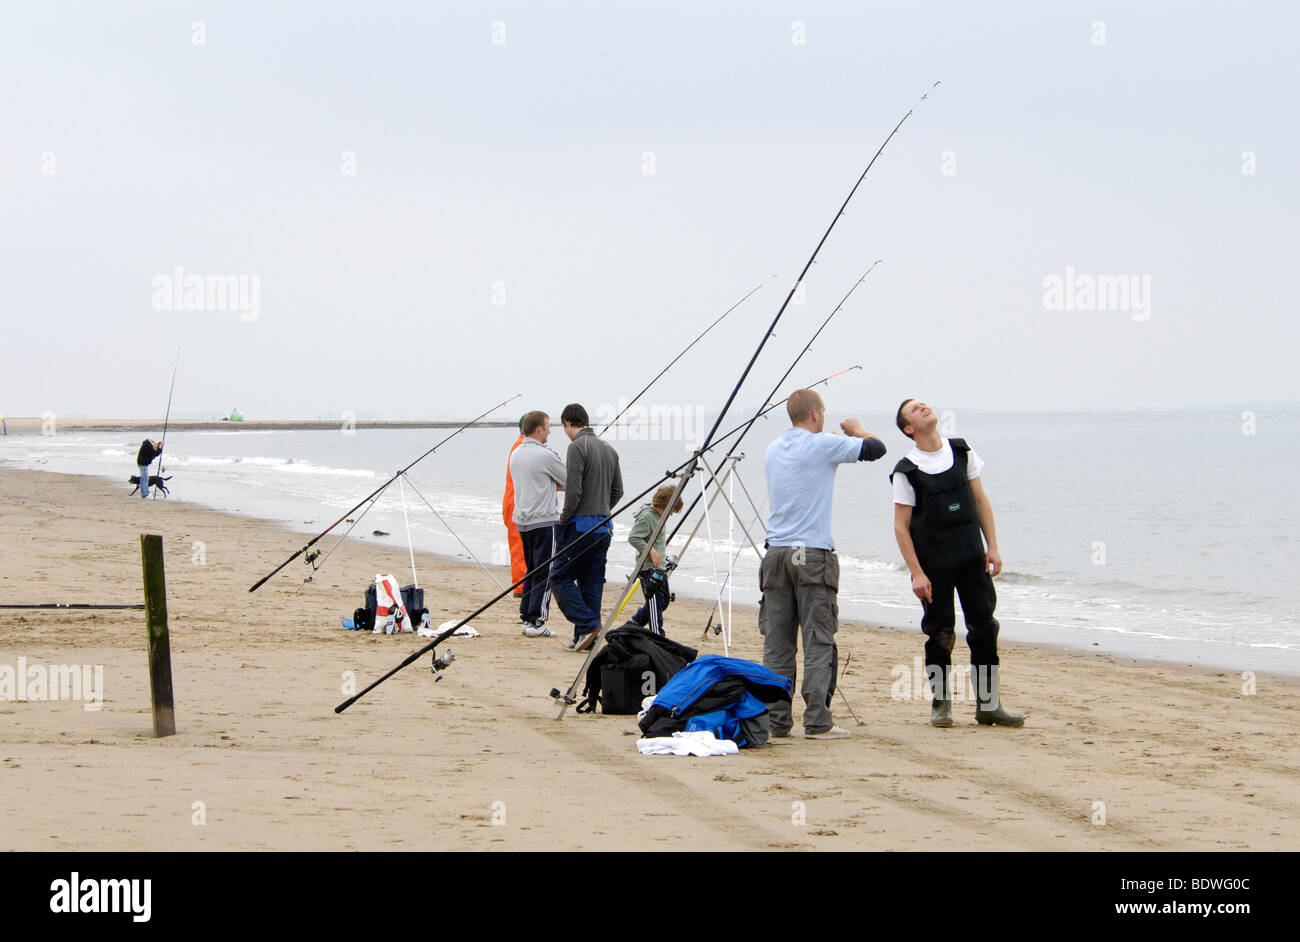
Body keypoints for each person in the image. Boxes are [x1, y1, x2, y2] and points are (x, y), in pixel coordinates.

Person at [761, 389, 886, 739]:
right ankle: (817, 720)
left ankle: (776, 719)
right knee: (818, 638)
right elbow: (877, 449)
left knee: (778, 641)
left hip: (777, 554)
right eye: (824, 413)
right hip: (812, 554)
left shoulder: (773, 449)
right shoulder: (821, 445)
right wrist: (857, 429)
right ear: (815, 414)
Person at [891, 398, 1023, 728]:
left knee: (984, 628)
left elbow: (980, 500)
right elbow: (900, 527)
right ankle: (941, 705)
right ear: (909, 429)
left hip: (971, 558)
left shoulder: (961, 451)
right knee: (941, 634)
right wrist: (916, 573)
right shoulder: (906, 470)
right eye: (914, 409)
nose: (923, 407)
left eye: (923, 403)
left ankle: (989, 705)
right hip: (933, 566)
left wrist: (993, 547)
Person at [549, 403, 623, 651]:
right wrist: (603, 508)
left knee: (558, 577)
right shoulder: (609, 449)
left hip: (581, 527)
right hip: (604, 527)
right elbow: (618, 491)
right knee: (591, 583)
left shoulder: (576, 446)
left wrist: (564, 519)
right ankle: (585, 639)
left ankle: (589, 625)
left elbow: (574, 492)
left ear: (568, 423)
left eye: (564, 427)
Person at [508, 410, 567, 638]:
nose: (550, 431)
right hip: (543, 520)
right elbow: (568, 480)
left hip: (522, 521)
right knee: (546, 571)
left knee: (532, 569)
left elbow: (541, 480)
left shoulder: (517, 453)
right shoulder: (544, 455)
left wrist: (551, 482)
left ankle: (527, 615)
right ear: (539, 429)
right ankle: (537, 621)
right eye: (548, 427)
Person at [622, 484, 685, 636]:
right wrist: (650, 550)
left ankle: (633, 624)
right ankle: (658, 635)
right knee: (654, 604)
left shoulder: (659, 516)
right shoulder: (647, 517)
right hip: (649, 568)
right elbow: (634, 538)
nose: (670, 515)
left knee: (663, 602)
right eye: (670, 511)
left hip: (660, 566)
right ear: (663, 505)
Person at [501, 416, 528, 598]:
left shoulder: (521, 446)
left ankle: (523, 583)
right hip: (517, 503)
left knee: (522, 546)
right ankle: (520, 586)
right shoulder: (522, 447)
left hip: (515, 502)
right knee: (519, 547)